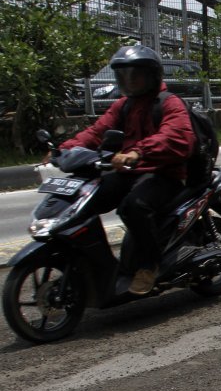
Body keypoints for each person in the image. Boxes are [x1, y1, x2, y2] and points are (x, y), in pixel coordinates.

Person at [55, 45, 195, 295]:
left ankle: (148, 265)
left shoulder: (169, 103)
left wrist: (138, 152)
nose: (128, 81)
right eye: (123, 75)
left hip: (164, 174)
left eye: (135, 74)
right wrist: (64, 149)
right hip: (130, 173)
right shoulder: (123, 105)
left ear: (152, 75)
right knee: (86, 200)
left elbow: (175, 135)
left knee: (133, 207)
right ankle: (94, 265)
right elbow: (96, 132)